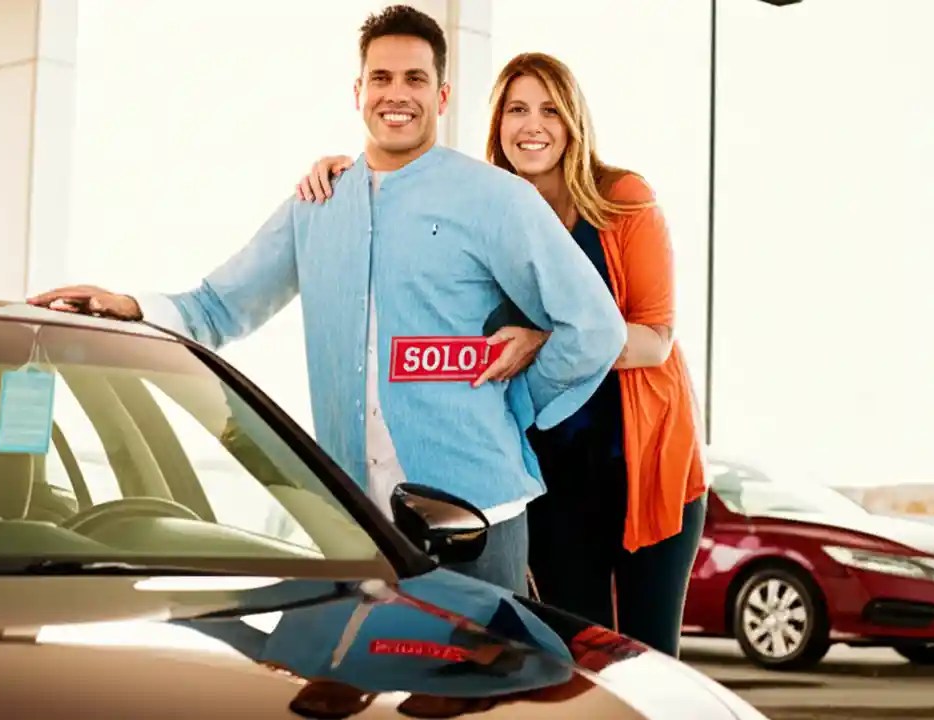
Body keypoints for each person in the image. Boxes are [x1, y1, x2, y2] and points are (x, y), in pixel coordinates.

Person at [27, 7, 626, 596]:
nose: (398, 94)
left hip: (476, 519)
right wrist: (132, 306)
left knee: (478, 694)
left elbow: (595, 328)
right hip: (355, 525)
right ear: (358, 91)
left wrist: (514, 404)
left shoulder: (496, 199)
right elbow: (218, 307)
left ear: (441, 97)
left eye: (415, 79)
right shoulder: (315, 205)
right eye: (382, 79)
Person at [293, 52, 707, 657]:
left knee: (647, 661)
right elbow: (404, 217)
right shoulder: (479, 203)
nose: (532, 125)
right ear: (497, 123)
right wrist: (345, 177)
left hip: (640, 466)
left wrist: (547, 341)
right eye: (517, 110)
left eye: (549, 110)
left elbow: (655, 338)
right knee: (575, 659)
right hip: (549, 469)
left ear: (573, 123)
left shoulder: (623, 199)